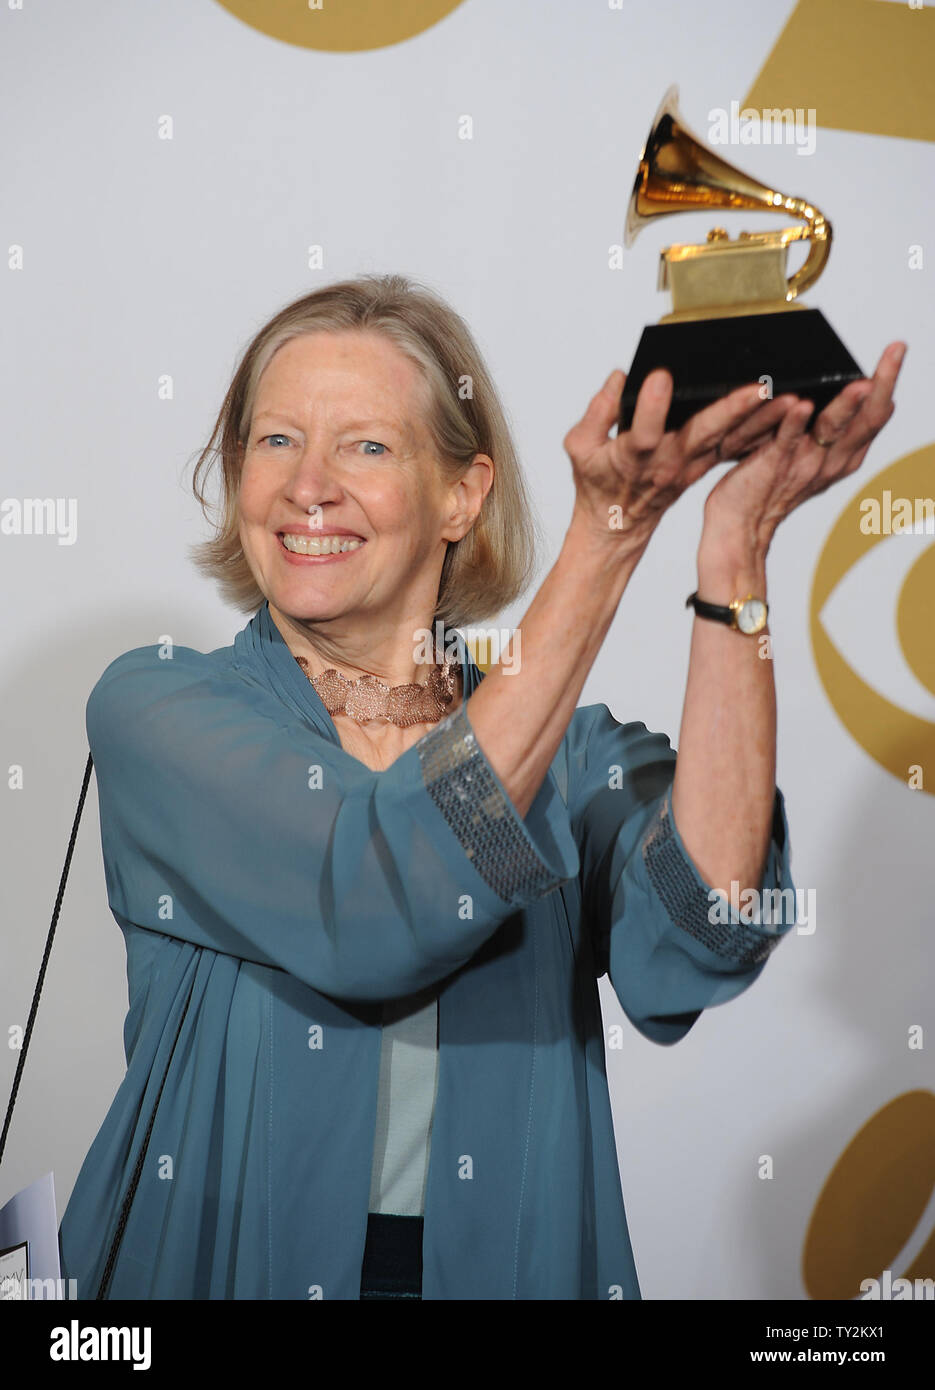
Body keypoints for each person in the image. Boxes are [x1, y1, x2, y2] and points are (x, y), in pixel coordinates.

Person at [58, 273, 903, 1300]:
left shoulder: (568, 757)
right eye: (274, 440)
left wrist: (736, 549)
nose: (307, 485)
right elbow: (375, 894)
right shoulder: (160, 709)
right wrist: (610, 530)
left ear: (462, 493)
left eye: (365, 445)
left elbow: (704, 930)